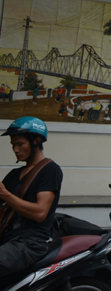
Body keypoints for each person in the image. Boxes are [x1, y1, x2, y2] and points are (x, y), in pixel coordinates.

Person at [0, 117, 63, 276]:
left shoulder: (50, 170)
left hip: (29, 244)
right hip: (7, 239)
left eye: (20, 144)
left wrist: (6, 194)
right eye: (13, 145)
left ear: (36, 141)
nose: (15, 149)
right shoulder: (14, 174)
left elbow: (40, 213)